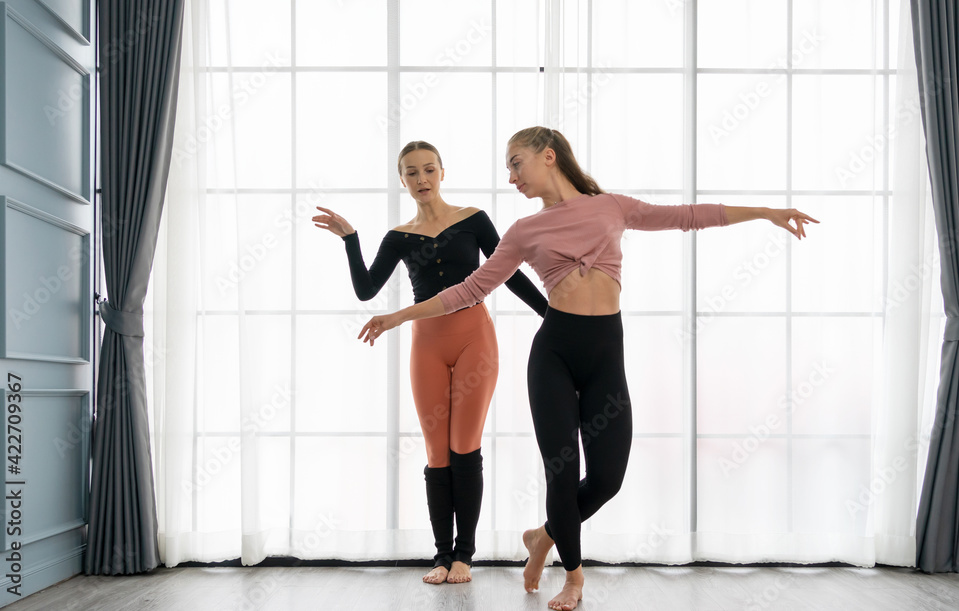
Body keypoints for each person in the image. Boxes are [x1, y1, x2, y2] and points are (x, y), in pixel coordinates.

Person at [356, 127, 819, 610]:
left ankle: (543, 537)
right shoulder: (522, 231)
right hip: (553, 354)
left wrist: (765, 211)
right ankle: (573, 579)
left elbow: (687, 216)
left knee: (608, 478)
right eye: (508, 168)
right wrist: (398, 316)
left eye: (516, 164)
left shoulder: (611, 206)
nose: (511, 176)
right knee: (562, 473)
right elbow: (469, 289)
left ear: (549, 157)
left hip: (605, 356)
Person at [313, 141, 548, 586]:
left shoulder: (473, 221)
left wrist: (550, 315)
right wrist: (351, 240)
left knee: (465, 447)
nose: (421, 179)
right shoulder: (399, 237)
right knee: (437, 453)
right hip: (427, 345)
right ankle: (442, 556)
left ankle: (465, 557)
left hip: (474, 337)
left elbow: (509, 272)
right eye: (411, 173)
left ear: (443, 172)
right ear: (401, 180)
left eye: (428, 170)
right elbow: (366, 290)